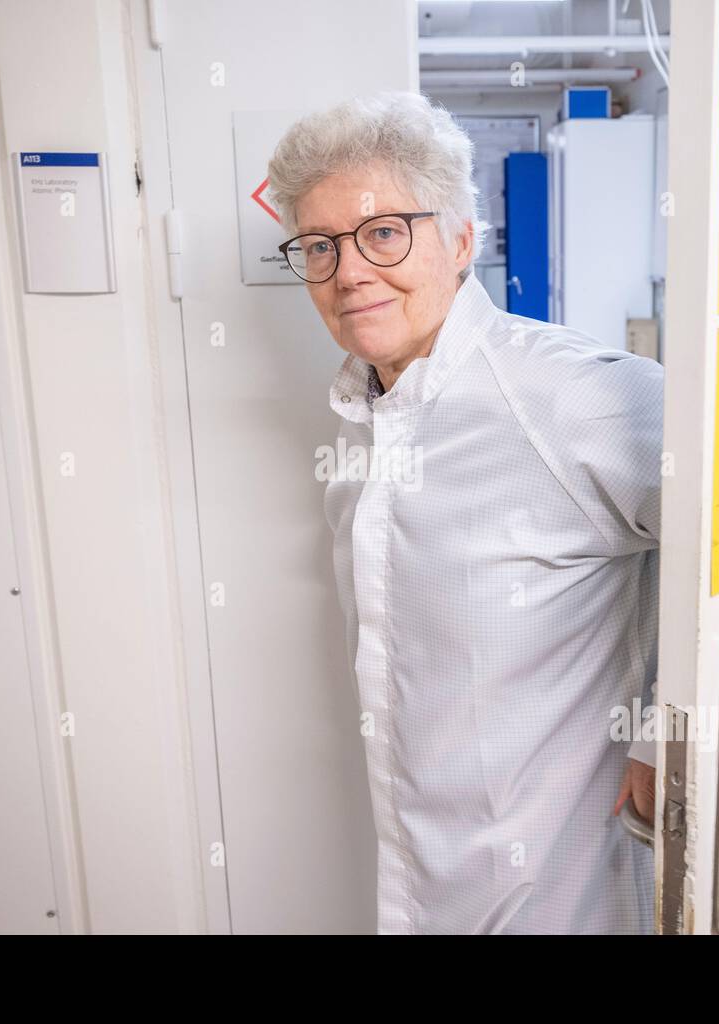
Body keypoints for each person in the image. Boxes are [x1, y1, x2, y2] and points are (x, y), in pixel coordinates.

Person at [267, 91, 663, 934]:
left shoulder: (568, 396)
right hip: (422, 893)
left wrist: (666, 735)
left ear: (460, 242)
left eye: (382, 233)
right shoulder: (360, 421)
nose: (348, 273)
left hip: (562, 900)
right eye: (319, 246)